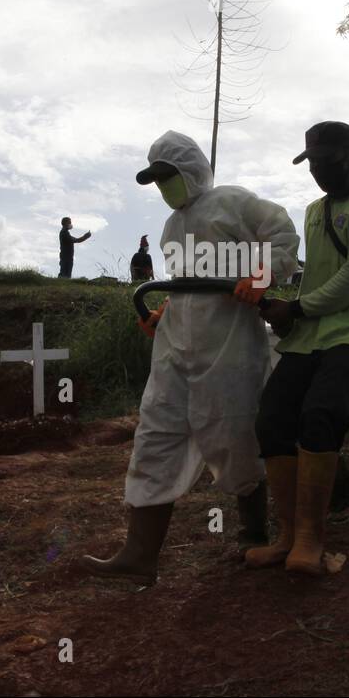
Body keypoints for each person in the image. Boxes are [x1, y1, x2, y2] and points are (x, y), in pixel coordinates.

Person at [81, 131, 299, 586]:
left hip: (230, 341)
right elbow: (187, 282)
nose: (164, 187)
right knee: (155, 433)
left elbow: (281, 232)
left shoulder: (233, 202)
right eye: (157, 181)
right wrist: (164, 312)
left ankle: (252, 533)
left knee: (234, 433)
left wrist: (261, 273)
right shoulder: (170, 228)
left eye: (169, 176)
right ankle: (139, 554)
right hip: (176, 344)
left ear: (192, 170)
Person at [252, 121, 349, 576]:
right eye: (312, 163)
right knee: (273, 416)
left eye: (327, 161)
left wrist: (296, 309)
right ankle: (287, 535)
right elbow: (313, 271)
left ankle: (312, 538)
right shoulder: (314, 211)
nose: (318, 171)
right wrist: (271, 295)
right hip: (310, 331)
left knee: (321, 413)